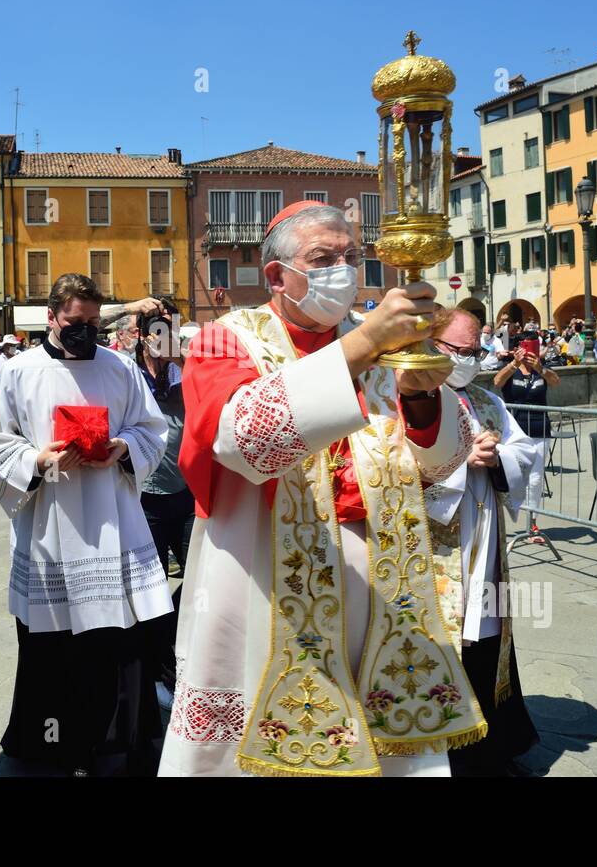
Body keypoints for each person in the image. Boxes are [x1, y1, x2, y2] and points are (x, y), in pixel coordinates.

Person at [159, 201, 477, 778]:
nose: (343, 270)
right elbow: (243, 442)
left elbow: (442, 463)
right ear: (278, 276)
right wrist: (360, 347)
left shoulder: (383, 340)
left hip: (379, 580)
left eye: (351, 256)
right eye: (323, 258)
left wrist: (421, 398)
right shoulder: (225, 339)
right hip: (261, 578)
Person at [0, 273, 171, 776]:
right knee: (51, 645)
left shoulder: (119, 367)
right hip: (50, 522)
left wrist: (122, 448)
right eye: (74, 322)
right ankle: (48, 746)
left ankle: (118, 746)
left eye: (92, 322)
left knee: (117, 643)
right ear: (51, 317)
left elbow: (152, 429)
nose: (85, 331)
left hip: (114, 520)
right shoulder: (18, 371)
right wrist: (38, 461)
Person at [424, 309, 541, 774]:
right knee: (443, 643)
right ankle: (443, 756)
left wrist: (497, 459)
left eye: (477, 351)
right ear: (432, 344)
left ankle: (488, 752)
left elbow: (525, 450)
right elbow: (388, 469)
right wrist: (460, 462)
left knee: (485, 641)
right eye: (461, 351)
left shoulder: (486, 399)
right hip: (434, 546)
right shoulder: (408, 397)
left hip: (484, 535)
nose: (471, 360)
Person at [132, 300, 192, 705]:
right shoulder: (127, 371)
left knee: (199, 580)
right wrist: (129, 309)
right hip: (145, 501)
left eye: (170, 328)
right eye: (156, 328)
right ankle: (157, 673)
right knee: (149, 591)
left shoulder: (184, 369)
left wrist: (180, 358)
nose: (163, 336)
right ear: (141, 334)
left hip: (187, 496)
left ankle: (178, 653)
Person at [495, 341, 561, 540]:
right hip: (514, 433)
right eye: (524, 348)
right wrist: (514, 363)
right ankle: (500, 516)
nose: (528, 353)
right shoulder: (510, 368)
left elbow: (556, 382)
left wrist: (540, 368)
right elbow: (497, 382)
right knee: (512, 476)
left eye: (532, 348)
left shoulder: (541, 369)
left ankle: (532, 523)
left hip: (540, 429)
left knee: (535, 479)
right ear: (517, 350)